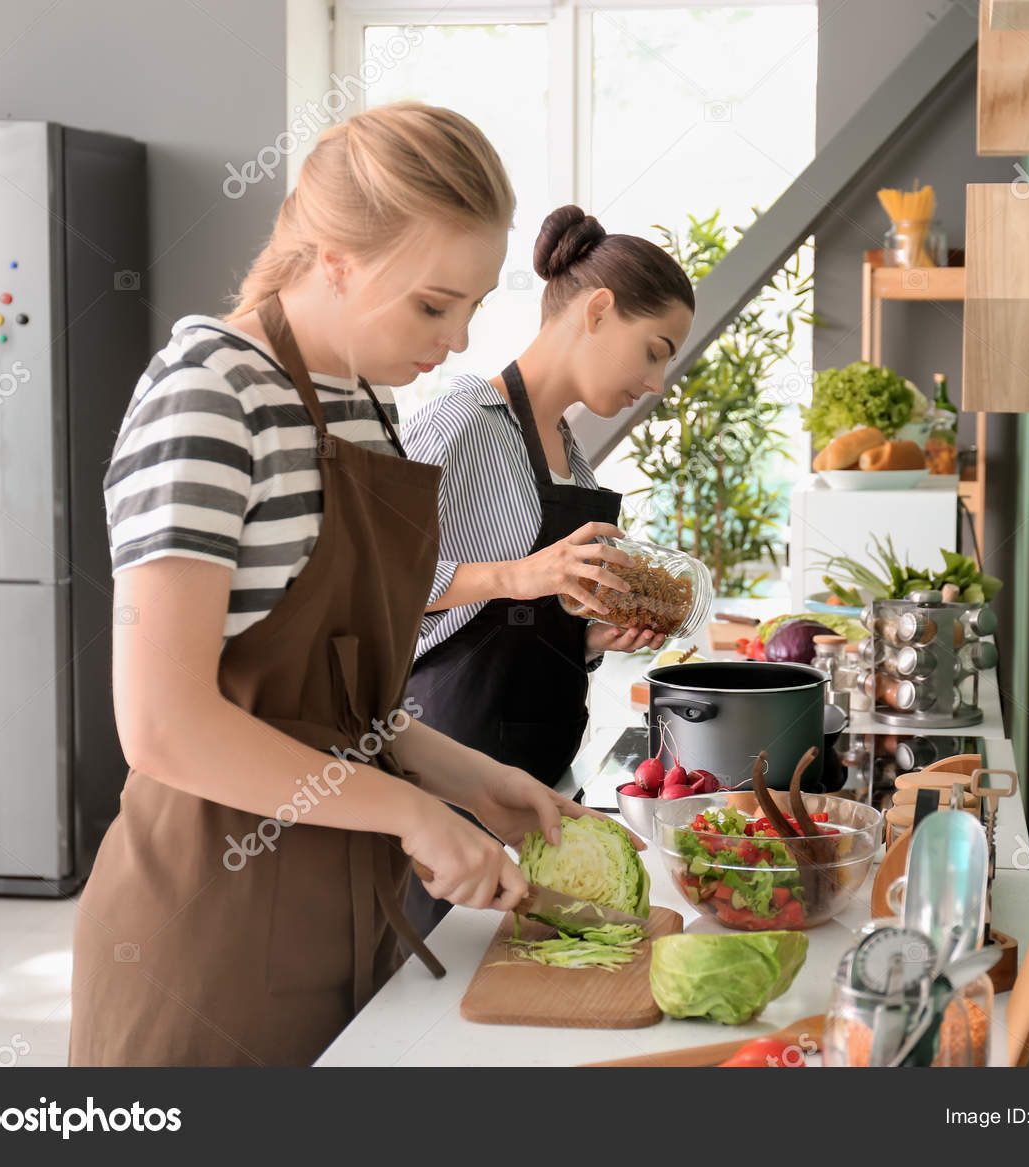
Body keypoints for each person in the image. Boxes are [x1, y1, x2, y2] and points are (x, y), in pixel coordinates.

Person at [69, 106, 635, 1067]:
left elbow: (333, 706)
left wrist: (473, 780)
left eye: (471, 306)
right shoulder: (209, 393)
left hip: (351, 917)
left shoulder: (364, 404)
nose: (456, 341)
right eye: (429, 305)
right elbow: (164, 725)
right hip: (211, 937)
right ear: (330, 256)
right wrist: (410, 812)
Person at [402, 205, 695, 789]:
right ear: (599, 311)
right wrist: (518, 575)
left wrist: (583, 641)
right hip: (449, 777)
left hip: (545, 775)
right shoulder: (456, 425)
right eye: (655, 351)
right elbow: (373, 587)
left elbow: (512, 628)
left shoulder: (577, 463)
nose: (657, 384)